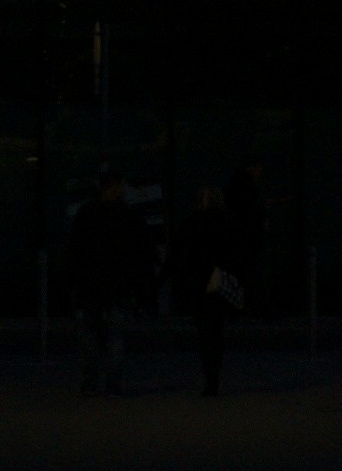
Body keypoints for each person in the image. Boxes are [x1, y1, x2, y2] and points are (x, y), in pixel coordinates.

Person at [64, 170, 150, 393]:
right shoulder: (128, 215)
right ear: (115, 188)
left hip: (90, 283)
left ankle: (90, 379)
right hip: (119, 283)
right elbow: (140, 252)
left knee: (89, 332)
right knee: (115, 334)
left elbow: (75, 250)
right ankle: (113, 382)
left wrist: (72, 281)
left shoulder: (86, 213)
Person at [168, 182, 241, 399]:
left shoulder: (191, 222)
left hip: (197, 281)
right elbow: (237, 252)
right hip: (220, 279)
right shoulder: (227, 221)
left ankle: (210, 378)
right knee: (217, 329)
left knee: (204, 332)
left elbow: (177, 252)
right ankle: (214, 374)